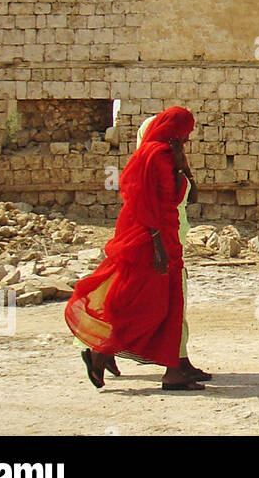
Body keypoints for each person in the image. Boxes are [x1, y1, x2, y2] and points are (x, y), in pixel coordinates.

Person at [65, 106, 205, 390]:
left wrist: (182, 163)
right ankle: (102, 350)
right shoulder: (151, 156)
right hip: (150, 242)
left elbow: (184, 194)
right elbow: (139, 200)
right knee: (145, 305)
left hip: (168, 238)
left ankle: (173, 368)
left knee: (170, 305)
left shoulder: (169, 156)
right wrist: (156, 245)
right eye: (184, 134)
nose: (187, 139)